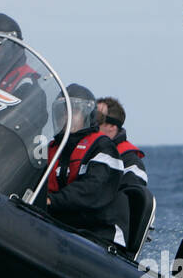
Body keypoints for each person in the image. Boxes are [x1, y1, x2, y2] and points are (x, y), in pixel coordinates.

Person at [44, 84, 129, 249]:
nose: (66, 116)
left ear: (85, 114)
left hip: (98, 235)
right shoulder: (52, 149)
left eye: (73, 111)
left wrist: (50, 200)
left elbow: (92, 189)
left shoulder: (103, 147)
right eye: (62, 111)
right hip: (62, 229)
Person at [95, 97, 147, 189]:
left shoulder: (131, 163)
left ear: (112, 126)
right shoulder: (83, 152)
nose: (90, 123)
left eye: (97, 118)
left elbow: (131, 197)